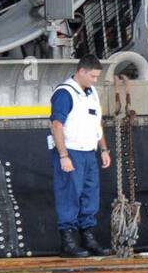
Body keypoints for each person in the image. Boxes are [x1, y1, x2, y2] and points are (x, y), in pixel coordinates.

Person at [48, 56, 112, 258]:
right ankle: (68, 242)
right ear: (82, 71)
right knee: (70, 195)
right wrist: (63, 155)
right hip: (72, 151)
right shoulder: (65, 93)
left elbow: (97, 123)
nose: (95, 80)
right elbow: (57, 125)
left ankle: (88, 238)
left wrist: (103, 149)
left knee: (89, 195)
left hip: (89, 151)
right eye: (93, 76)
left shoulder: (92, 93)